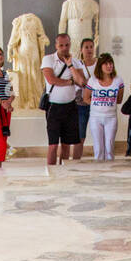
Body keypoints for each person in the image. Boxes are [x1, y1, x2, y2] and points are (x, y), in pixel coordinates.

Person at [41, 34, 87, 166]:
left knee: (66, 144)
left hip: (70, 107)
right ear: (56, 46)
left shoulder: (76, 61)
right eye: (61, 45)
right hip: (53, 107)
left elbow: (82, 82)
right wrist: (70, 81)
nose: (64, 48)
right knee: (53, 145)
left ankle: (63, 172)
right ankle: (51, 172)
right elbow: (51, 79)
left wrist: (71, 65)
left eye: (67, 45)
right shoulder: (48, 59)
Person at [82, 52, 123, 161]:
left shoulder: (118, 80)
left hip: (111, 117)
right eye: (106, 64)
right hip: (96, 118)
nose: (109, 66)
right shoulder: (93, 80)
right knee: (98, 148)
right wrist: (97, 102)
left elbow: (119, 99)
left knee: (109, 148)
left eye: (111, 63)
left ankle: (110, 172)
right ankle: (98, 172)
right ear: (100, 66)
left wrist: (107, 101)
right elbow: (86, 98)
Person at [71, 38, 97, 160]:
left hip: (97, 104)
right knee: (80, 136)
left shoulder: (99, 64)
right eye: (86, 47)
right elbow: (81, 82)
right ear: (81, 50)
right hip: (81, 104)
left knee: (99, 134)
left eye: (91, 47)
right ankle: (76, 161)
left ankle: (102, 160)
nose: (89, 50)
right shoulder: (77, 64)